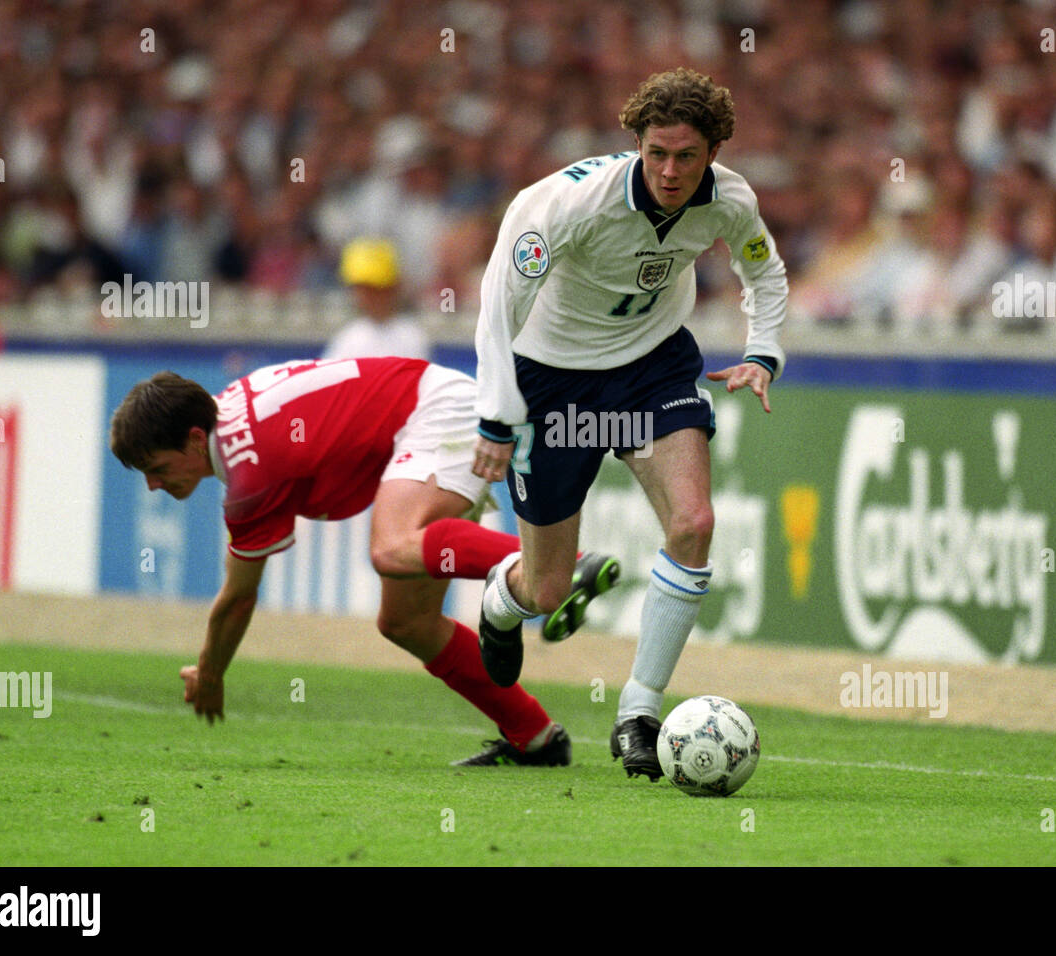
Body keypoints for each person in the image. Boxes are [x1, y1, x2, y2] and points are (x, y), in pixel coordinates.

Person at [470, 68, 787, 781]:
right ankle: (501, 599)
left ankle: (638, 715)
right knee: (548, 591)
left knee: (695, 522)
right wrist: (497, 415)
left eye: (687, 156)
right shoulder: (565, 204)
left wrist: (764, 351)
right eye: (656, 154)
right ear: (636, 146)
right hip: (551, 380)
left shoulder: (730, 200)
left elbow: (763, 272)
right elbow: (497, 305)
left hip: (651, 367)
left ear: (713, 153)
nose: (670, 171)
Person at [109, 357, 615, 766]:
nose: (153, 484)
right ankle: (536, 737)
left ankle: (564, 564)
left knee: (392, 547)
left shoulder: (247, 474)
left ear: (196, 439)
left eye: (156, 468)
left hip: (434, 413)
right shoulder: (228, 416)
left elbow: (238, 598)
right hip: (426, 410)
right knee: (405, 621)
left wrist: (210, 674)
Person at [322, 238, 431, 361]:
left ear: (393, 288)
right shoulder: (348, 338)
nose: (366, 297)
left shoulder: (412, 337)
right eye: (361, 289)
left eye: (374, 289)